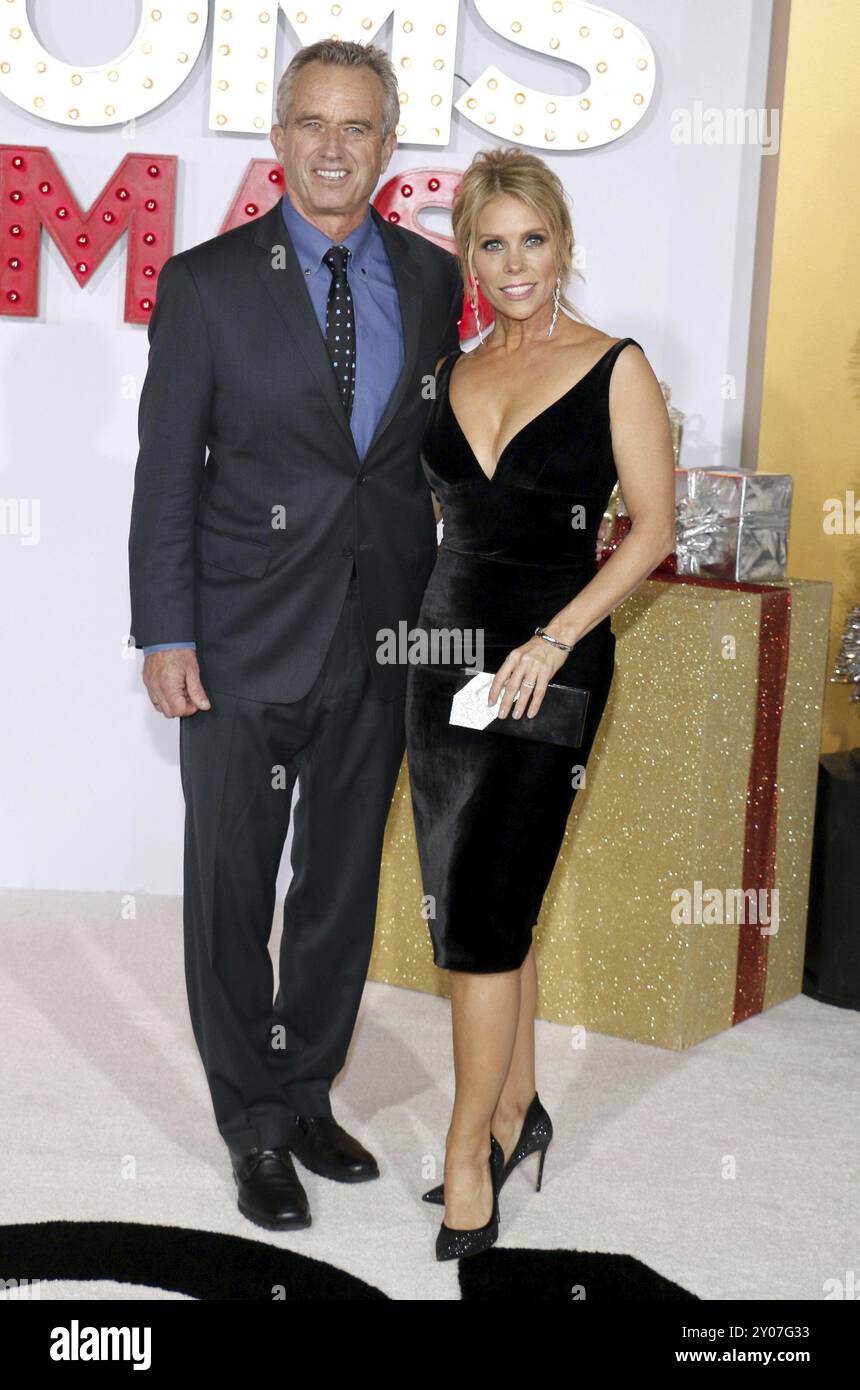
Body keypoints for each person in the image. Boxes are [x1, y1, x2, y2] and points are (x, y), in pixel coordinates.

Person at [128, 39, 462, 1231]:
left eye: (358, 125)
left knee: (334, 885)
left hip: (379, 639)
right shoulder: (209, 282)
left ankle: (306, 1086)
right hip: (235, 638)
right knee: (229, 886)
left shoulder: (430, 283)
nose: (334, 145)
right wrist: (166, 630)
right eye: (312, 123)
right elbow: (167, 473)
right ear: (277, 139)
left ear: (387, 145)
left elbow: (436, 460)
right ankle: (252, 1125)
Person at [404, 147, 676, 1260]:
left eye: (533, 239)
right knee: (481, 907)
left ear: (562, 244)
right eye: (490, 243)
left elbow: (653, 530)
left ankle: (467, 1152)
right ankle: (517, 1110)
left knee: (476, 917)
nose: (515, 264)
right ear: (467, 254)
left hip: (548, 663)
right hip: (444, 658)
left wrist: (553, 638)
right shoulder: (453, 370)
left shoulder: (614, 365)